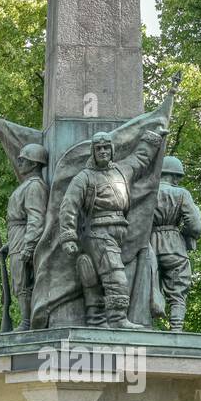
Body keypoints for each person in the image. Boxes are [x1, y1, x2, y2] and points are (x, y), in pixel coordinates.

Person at [58, 127, 166, 329]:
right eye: (99, 149)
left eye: (107, 148)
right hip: (98, 232)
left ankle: (96, 320)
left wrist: (153, 137)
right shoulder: (84, 177)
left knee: (97, 277)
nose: (103, 152)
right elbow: (68, 206)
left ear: (112, 150)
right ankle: (117, 320)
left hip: (121, 232)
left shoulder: (121, 170)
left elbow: (141, 158)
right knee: (115, 275)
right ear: (93, 152)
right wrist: (68, 237)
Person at [151, 156, 201, 332]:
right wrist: (185, 235)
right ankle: (176, 328)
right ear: (174, 176)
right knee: (178, 290)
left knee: (148, 288)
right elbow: (195, 225)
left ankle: (146, 327)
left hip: (148, 246)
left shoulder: (147, 192)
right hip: (174, 247)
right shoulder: (181, 194)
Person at [4, 143, 49, 330]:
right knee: (18, 281)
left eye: (24, 159)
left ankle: (27, 322)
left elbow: (35, 218)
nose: (19, 162)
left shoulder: (35, 187)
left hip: (24, 238)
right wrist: (9, 244)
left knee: (23, 282)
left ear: (34, 164)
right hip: (17, 237)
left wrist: (29, 246)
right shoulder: (27, 186)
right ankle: (25, 321)